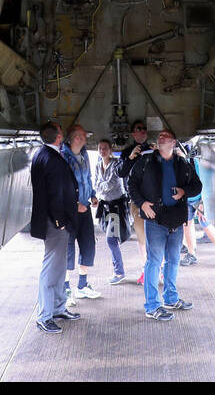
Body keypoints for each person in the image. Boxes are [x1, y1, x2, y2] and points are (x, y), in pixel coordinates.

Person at [128, 129, 202, 321]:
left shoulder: (182, 163)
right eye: (159, 137)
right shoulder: (145, 162)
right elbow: (132, 184)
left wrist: (184, 191)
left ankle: (170, 298)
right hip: (155, 220)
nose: (160, 139)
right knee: (154, 261)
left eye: (165, 137)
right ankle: (152, 305)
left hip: (176, 221)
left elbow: (197, 186)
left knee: (173, 260)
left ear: (173, 142)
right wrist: (142, 204)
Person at [30, 121, 81, 333]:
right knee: (51, 268)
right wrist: (60, 221)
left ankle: (58, 308)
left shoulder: (45, 154)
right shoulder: (49, 158)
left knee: (59, 267)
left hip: (55, 220)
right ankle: (44, 315)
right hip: (55, 222)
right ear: (58, 137)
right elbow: (53, 194)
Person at [61, 123, 101, 304]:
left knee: (88, 245)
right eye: (83, 136)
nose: (86, 138)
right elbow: (61, 186)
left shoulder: (84, 154)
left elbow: (88, 178)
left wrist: (92, 196)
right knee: (68, 249)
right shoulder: (63, 157)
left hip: (85, 209)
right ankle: (66, 290)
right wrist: (74, 204)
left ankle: (82, 286)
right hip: (70, 212)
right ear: (75, 137)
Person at [93, 138, 131, 284]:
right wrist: (101, 187)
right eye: (100, 148)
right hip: (105, 206)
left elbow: (112, 183)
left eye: (105, 148)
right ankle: (118, 270)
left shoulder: (116, 164)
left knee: (111, 239)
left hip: (116, 206)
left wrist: (100, 187)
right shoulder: (97, 165)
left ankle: (119, 272)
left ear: (110, 150)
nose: (102, 151)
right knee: (110, 236)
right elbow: (96, 184)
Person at [119, 119, 151, 282]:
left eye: (144, 129)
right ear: (133, 134)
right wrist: (131, 158)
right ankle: (146, 269)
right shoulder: (127, 152)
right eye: (139, 129)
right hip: (137, 200)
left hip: (154, 199)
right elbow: (120, 173)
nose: (143, 131)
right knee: (142, 236)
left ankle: (157, 269)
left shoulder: (153, 150)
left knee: (157, 235)